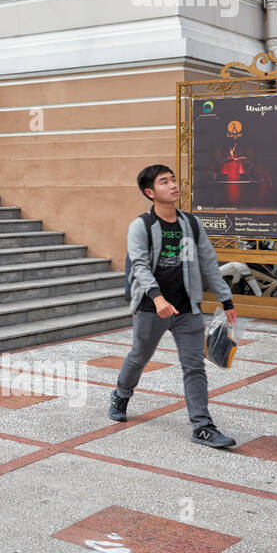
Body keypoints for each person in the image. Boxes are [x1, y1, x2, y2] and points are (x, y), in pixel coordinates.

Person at [113, 164, 239, 448]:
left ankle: (202, 426)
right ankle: (121, 394)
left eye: (173, 180)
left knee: (194, 367)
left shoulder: (191, 224)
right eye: (164, 182)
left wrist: (226, 300)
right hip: (151, 308)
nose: (173, 185)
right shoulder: (141, 226)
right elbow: (141, 267)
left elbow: (209, 264)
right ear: (150, 192)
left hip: (187, 309)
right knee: (139, 357)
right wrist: (158, 298)